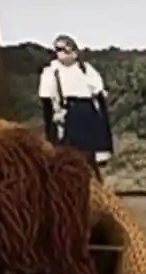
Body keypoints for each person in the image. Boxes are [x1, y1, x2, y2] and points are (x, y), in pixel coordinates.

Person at [39, 34, 113, 171]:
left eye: (67, 50)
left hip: (87, 112)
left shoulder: (85, 69)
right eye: (59, 50)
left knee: (89, 156)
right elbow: (47, 100)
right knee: (69, 156)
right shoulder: (51, 71)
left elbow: (98, 93)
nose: (63, 54)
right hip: (68, 113)